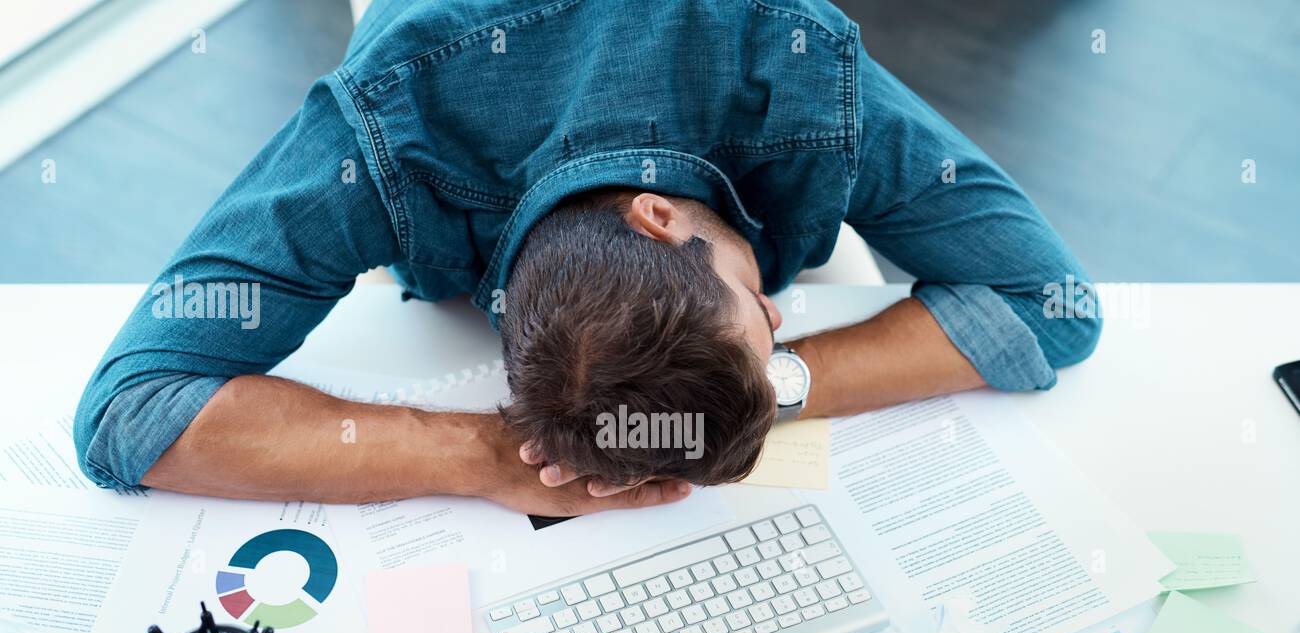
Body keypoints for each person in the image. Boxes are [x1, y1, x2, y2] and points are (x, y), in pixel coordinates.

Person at [74, 0, 1100, 516]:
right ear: (655, 216)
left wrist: (759, 390)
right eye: (763, 313)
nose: (781, 319)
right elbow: (128, 412)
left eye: (758, 317)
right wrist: (483, 457)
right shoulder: (380, 132)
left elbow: (1051, 302)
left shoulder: (785, 60)